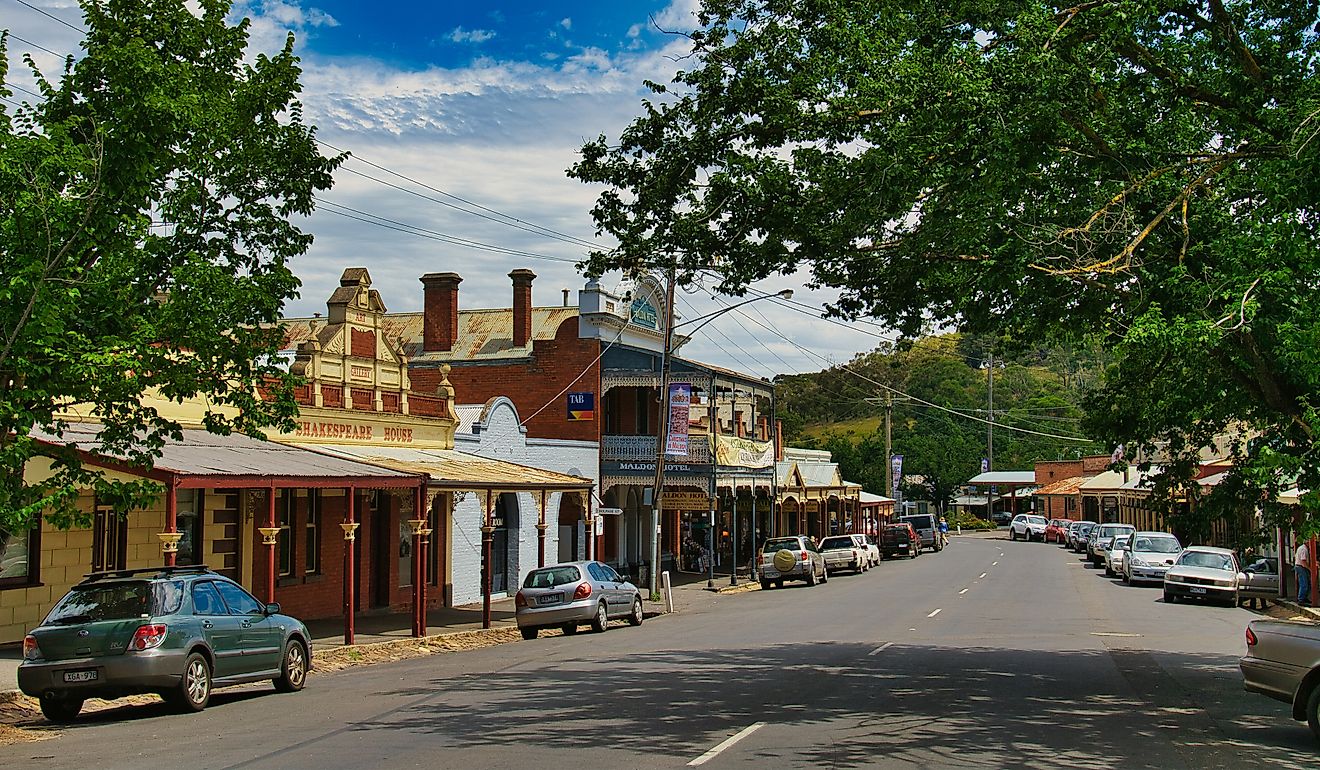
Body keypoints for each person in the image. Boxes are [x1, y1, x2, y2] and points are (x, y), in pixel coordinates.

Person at [1296, 539, 1313, 607]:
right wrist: (1310, 569)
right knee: (1304, 583)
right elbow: (1303, 561)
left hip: (1301, 566)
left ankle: (1304, 598)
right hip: (1301, 567)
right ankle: (1301, 599)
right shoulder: (1304, 549)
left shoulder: (1302, 548)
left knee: (1307, 583)